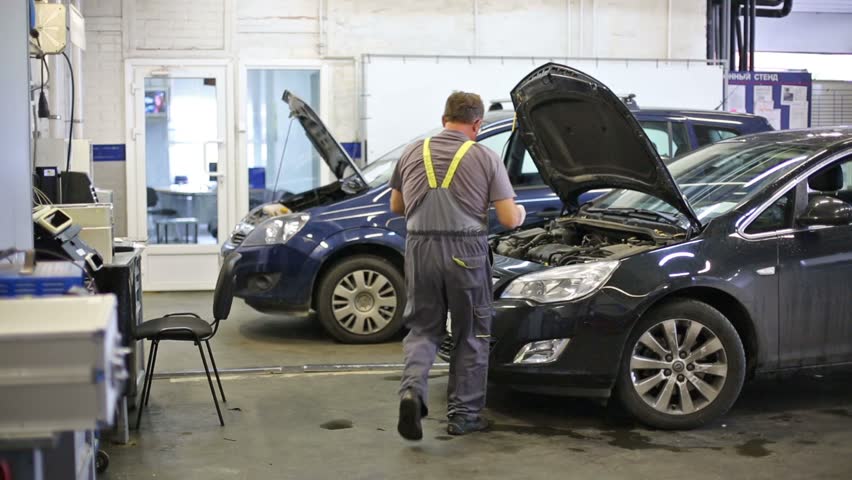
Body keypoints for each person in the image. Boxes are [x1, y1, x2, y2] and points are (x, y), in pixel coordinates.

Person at [389, 91, 525, 440]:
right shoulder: (485, 157)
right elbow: (509, 219)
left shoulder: (411, 151)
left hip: (420, 249)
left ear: (444, 117)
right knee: (470, 333)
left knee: (422, 328)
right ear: (477, 123)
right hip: (465, 252)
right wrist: (521, 212)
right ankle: (464, 416)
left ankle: (412, 392)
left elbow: (396, 207)